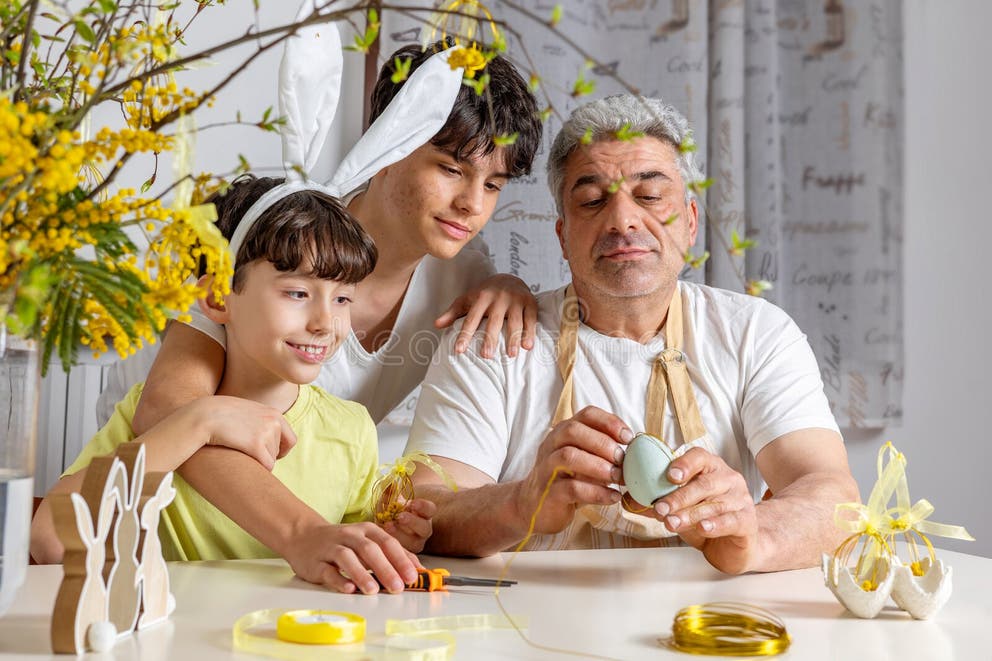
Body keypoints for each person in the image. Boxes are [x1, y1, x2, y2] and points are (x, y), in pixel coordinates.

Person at [404, 94, 860, 574]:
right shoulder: (491, 339)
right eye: (592, 200)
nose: (622, 220)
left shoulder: (755, 333)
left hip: (706, 631)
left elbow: (833, 496)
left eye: (649, 196)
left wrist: (753, 538)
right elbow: (420, 510)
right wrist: (522, 502)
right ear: (562, 236)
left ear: (689, 222)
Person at [96, 40, 544, 430]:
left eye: (493, 185)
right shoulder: (275, 233)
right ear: (390, 143)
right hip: (144, 465)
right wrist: (302, 529)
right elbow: (167, 408)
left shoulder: (466, 278)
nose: (473, 204)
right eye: (450, 169)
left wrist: (510, 284)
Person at [31, 176, 430, 595]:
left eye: (342, 299)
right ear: (220, 299)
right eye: (297, 293)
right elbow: (50, 539)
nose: (325, 323)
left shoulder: (352, 429)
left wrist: (390, 548)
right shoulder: (152, 417)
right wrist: (200, 420)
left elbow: (351, 571)